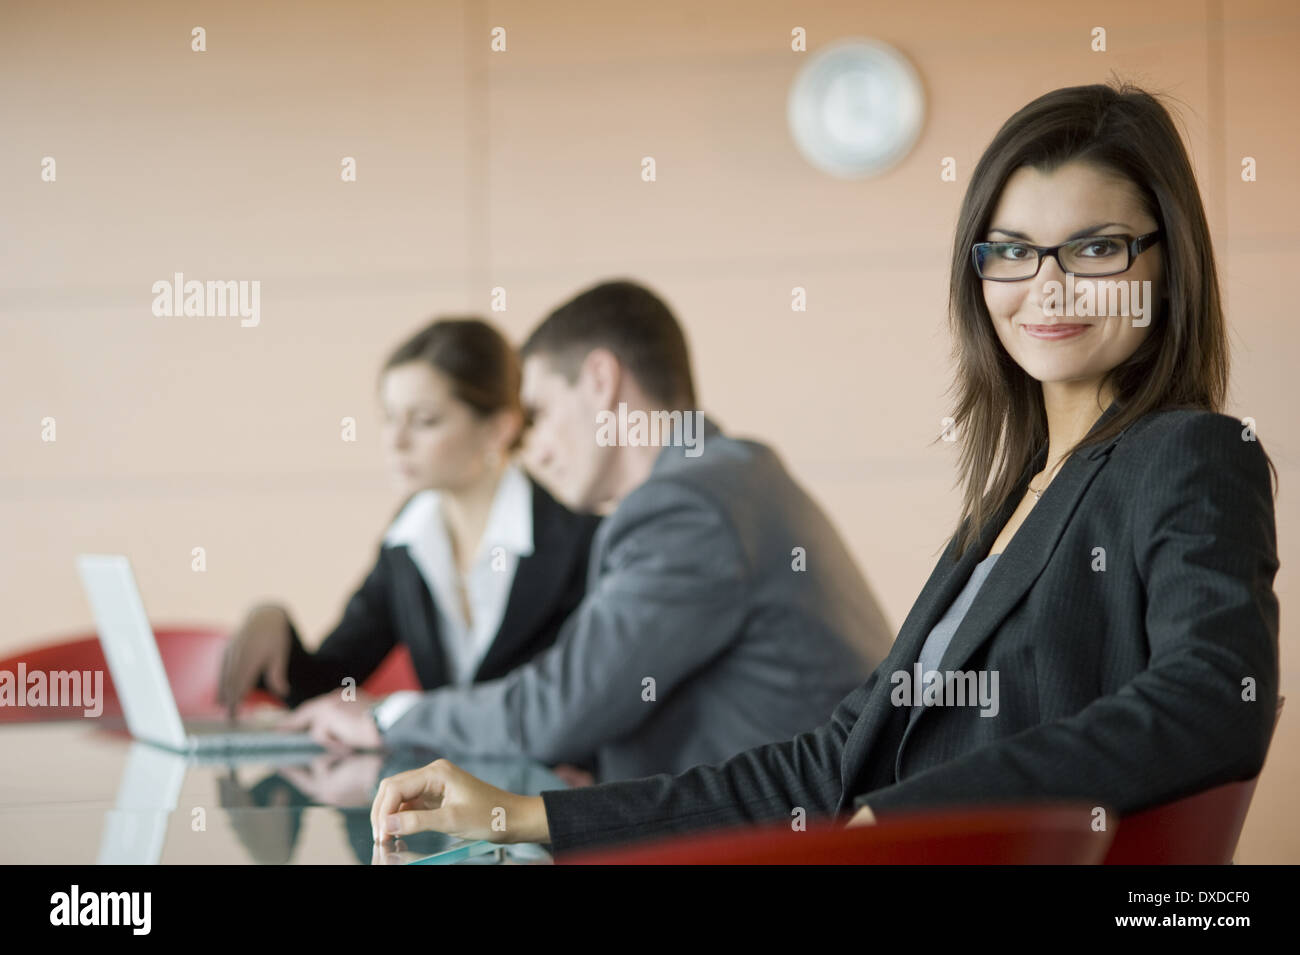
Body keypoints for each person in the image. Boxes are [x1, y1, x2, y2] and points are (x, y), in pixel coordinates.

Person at [368, 82, 1280, 856]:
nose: (1046, 284)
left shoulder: (1189, 452)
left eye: (1095, 247)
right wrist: (528, 813)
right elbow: (826, 764)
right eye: (1010, 250)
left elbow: (1213, 698)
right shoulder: (1009, 498)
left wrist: (903, 819)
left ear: (1166, 264)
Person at [288, 279, 895, 780]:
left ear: (601, 382)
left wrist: (386, 718)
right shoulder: (732, 474)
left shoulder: (686, 509)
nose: (536, 447)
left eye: (540, 414)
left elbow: (556, 707)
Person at [218, 317, 602, 756]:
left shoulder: (581, 542)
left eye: (424, 421)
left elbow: (577, 707)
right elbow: (333, 684)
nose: (396, 441)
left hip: (549, 803)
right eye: (389, 418)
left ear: (499, 427)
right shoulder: (410, 538)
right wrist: (276, 624)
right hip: (448, 802)